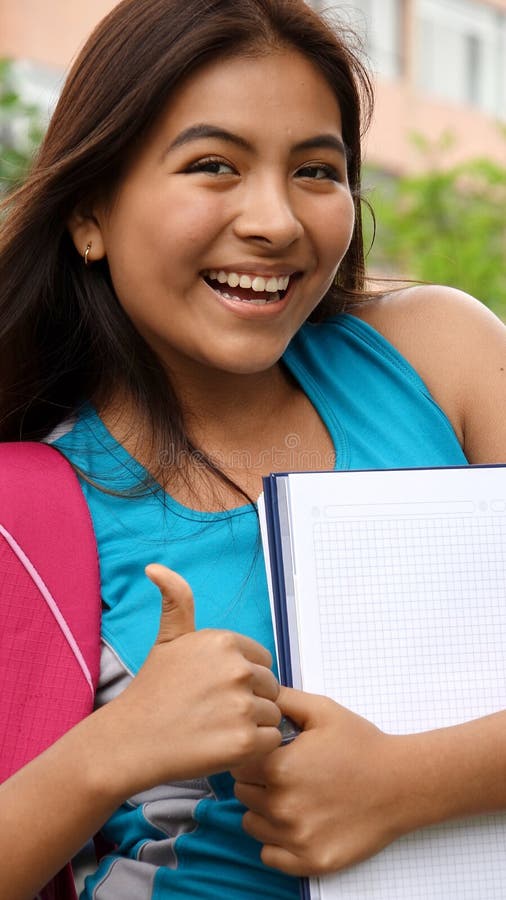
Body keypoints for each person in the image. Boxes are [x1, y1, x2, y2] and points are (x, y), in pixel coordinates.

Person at [1, 0, 505, 897]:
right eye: (212, 165)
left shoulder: (443, 362)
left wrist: (410, 784)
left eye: (316, 169)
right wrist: (109, 753)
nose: (274, 220)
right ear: (90, 213)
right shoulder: (25, 512)